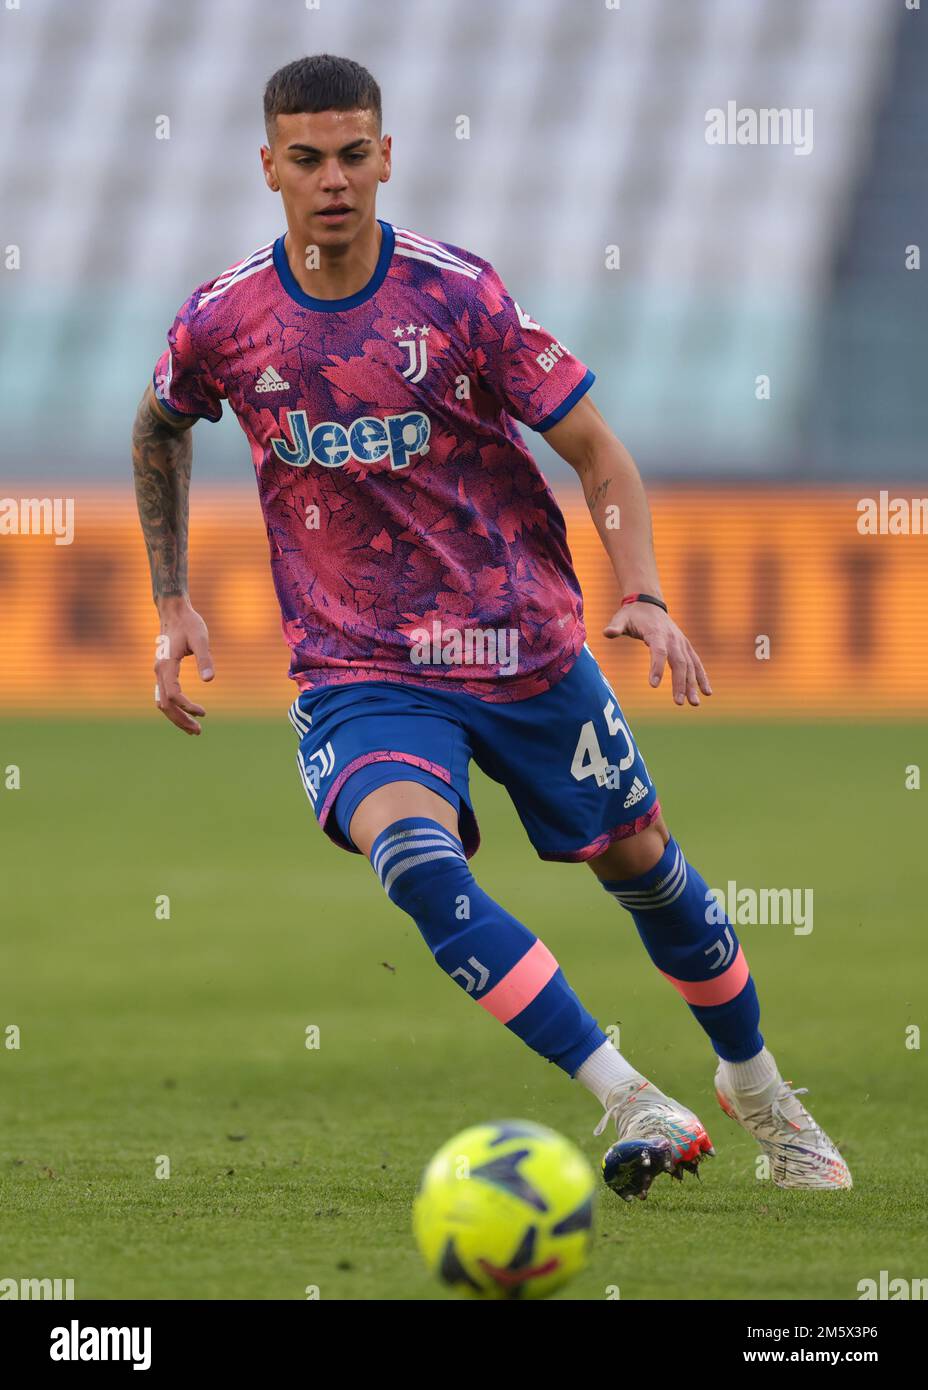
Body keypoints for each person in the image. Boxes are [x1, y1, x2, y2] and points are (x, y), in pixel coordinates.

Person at [131, 53, 851, 1199]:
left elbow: (595, 449)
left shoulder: (457, 296)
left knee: (643, 868)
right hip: (358, 666)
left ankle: (757, 1087)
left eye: (354, 154)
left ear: (387, 156)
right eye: (308, 158)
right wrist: (171, 597)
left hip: (520, 644)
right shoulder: (226, 319)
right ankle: (629, 1092)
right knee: (413, 858)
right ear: (267, 165)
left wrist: (646, 591)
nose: (334, 180)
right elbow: (160, 425)